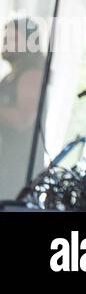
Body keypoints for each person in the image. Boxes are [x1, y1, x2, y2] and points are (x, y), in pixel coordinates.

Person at [0, 17, 45, 201]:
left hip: (19, 171)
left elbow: (23, 120)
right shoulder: (12, 75)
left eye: (11, 38)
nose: (4, 42)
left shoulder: (32, 74)